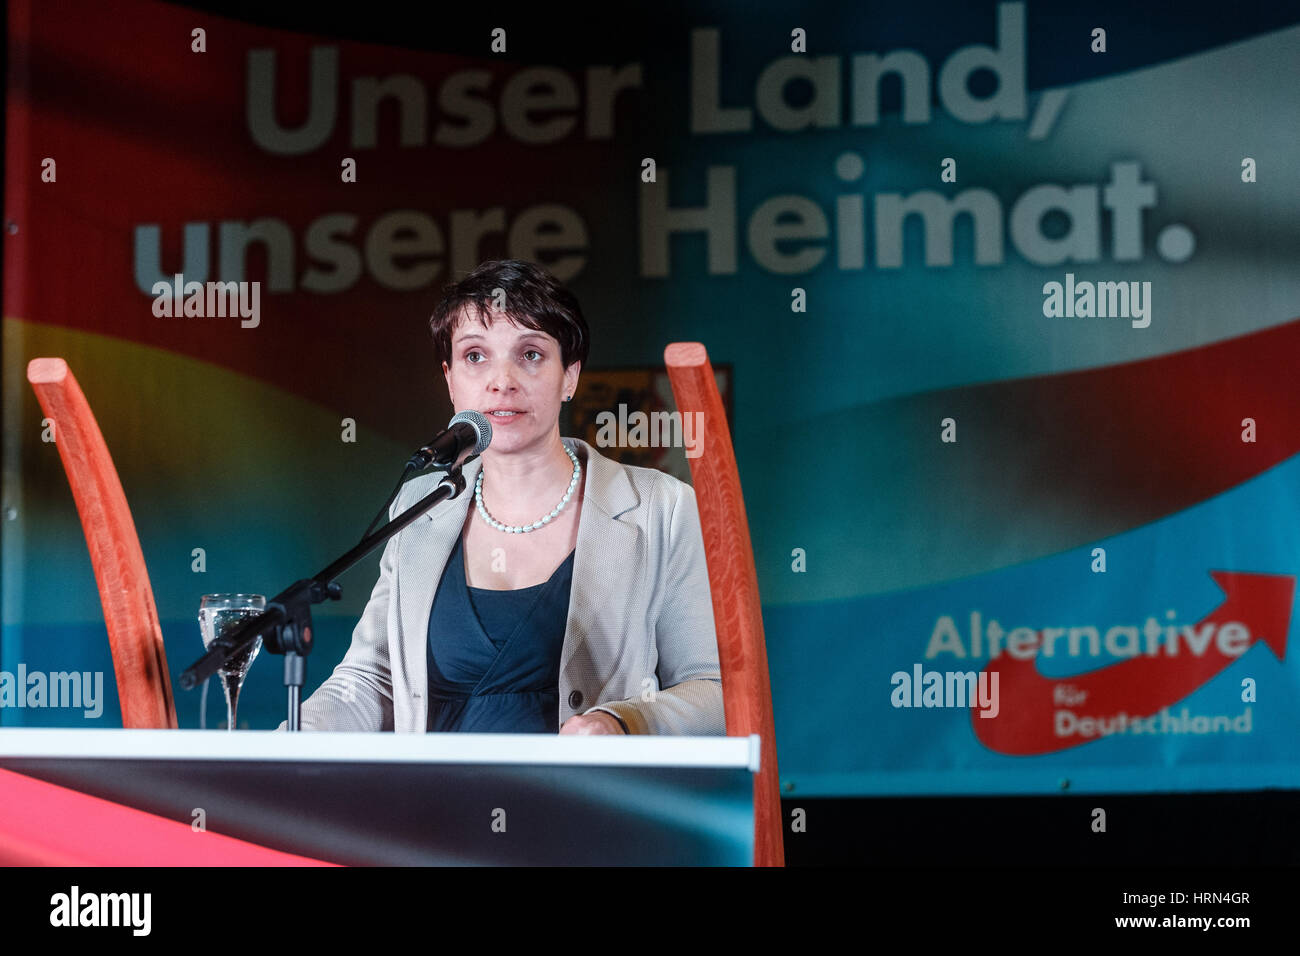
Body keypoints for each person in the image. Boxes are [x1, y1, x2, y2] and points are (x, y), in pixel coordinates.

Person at [286, 259, 723, 735]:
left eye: (531, 354)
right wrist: (282, 747)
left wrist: (624, 721)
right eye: (475, 356)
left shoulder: (662, 508)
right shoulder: (420, 507)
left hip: (583, 806)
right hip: (434, 806)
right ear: (451, 380)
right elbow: (372, 680)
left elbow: (714, 691)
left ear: (570, 376)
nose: (502, 380)